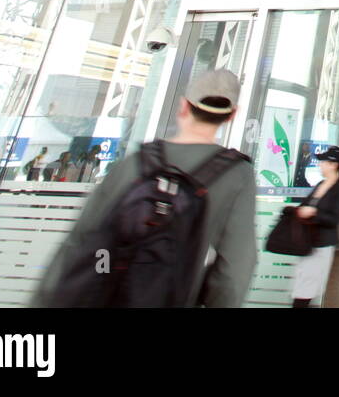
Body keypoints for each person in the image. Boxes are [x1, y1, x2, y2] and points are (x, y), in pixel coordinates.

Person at [32, 69, 257, 307]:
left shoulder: (136, 162)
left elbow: (80, 240)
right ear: (231, 115)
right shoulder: (236, 174)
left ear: (183, 107)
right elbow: (236, 266)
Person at [290, 146, 339, 308]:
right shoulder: (320, 185)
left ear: (333, 164)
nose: (320, 165)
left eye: (323, 161)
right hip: (308, 242)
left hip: (322, 244)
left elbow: (334, 219)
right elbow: (305, 205)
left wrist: (313, 213)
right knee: (303, 287)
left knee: (306, 290)